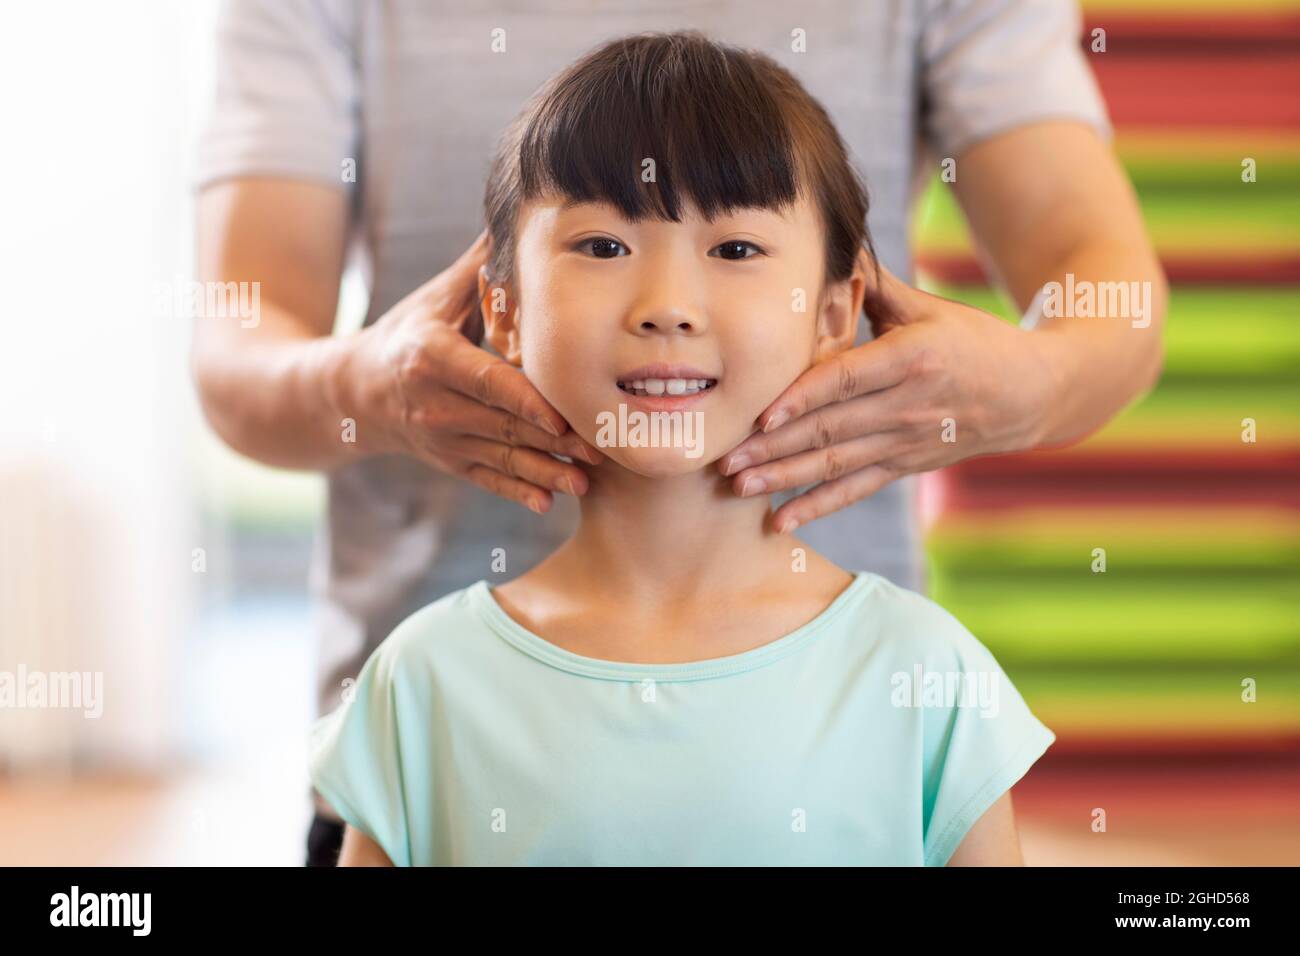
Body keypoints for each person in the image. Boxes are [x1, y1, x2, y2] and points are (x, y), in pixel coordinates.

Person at [191, 1, 1166, 866]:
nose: (667, 304)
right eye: (603, 245)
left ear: (840, 309)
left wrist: (1035, 378)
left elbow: (1105, 283)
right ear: (504, 308)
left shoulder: (926, 679)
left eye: (737, 248)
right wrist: (363, 380)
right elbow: (240, 340)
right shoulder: (415, 685)